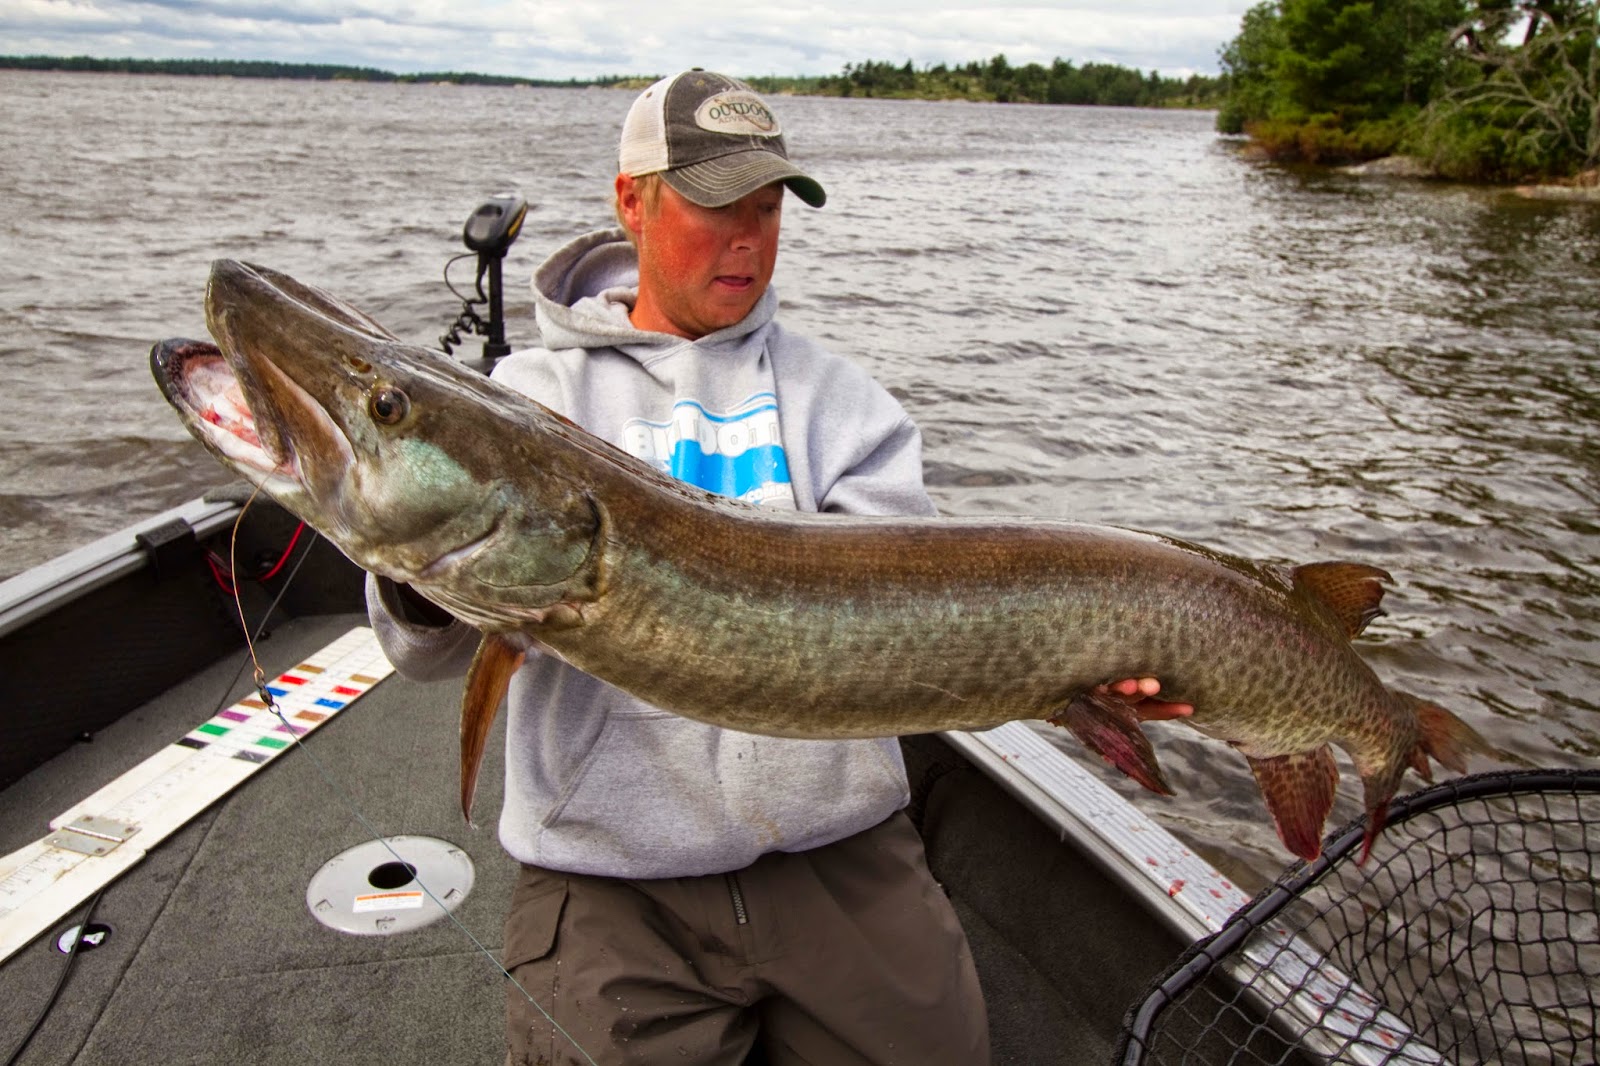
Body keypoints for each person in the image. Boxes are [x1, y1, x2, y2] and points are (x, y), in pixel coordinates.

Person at [367, 69, 1189, 1066]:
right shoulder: (530, 399)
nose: (748, 239)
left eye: (766, 208)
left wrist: (1074, 676)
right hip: (613, 869)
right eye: (717, 207)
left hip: (836, 850)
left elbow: (920, 639)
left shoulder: (845, 406)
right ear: (632, 201)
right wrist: (423, 573)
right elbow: (423, 654)